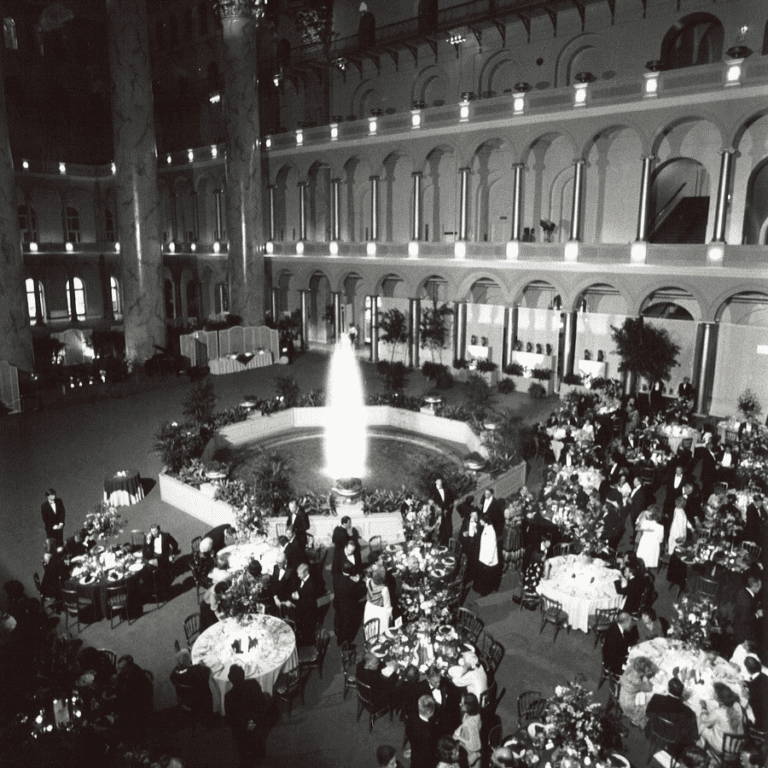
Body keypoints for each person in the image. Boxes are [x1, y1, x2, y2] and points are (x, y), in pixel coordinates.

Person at [225, 664, 273, 767]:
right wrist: (253, 723)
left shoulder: (228, 697)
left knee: (245, 753)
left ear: (230, 679)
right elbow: (262, 704)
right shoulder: (253, 684)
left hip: (241, 731)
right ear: (243, 676)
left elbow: (230, 720)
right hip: (256, 724)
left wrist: (247, 725)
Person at [645, 678, 700, 756]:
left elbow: (648, 713)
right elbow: (693, 735)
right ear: (681, 693)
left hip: (655, 730)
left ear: (668, 688)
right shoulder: (688, 712)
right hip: (673, 739)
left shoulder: (656, 698)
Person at [698, 682, 745, 755]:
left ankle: (701, 752)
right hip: (736, 746)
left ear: (717, 696)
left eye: (714, 692)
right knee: (716, 726)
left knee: (701, 726)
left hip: (723, 747)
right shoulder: (737, 707)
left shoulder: (718, 712)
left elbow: (704, 722)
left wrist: (703, 707)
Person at [115, 654, 153, 743]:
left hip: (141, 702)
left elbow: (130, 695)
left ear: (128, 666)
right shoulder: (129, 671)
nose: (120, 670)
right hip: (136, 698)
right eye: (119, 668)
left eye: (122, 668)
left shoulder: (134, 675)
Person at [618, 655, 657, 728]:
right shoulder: (636, 681)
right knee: (653, 700)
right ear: (641, 672)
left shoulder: (631, 667)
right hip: (630, 704)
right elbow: (649, 689)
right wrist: (646, 679)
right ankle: (639, 721)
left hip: (623, 695)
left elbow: (634, 661)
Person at [334, 558, 365, 646]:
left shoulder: (337, 577)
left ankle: (338, 634)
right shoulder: (351, 584)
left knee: (339, 620)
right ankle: (344, 642)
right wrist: (358, 581)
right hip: (348, 607)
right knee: (346, 625)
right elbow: (358, 595)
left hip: (338, 603)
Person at [143, 523, 179, 596]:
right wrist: (148, 542)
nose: (153, 533)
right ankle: (151, 583)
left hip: (163, 557)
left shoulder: (166, 536)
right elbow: (146, 549)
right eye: (152, 532)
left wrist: (172, 554)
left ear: (159, 530)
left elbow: (175, 543)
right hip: (153, 555)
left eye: (155, 531)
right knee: (145, 566)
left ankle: (155, 586)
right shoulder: (150, 537)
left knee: (148, 566)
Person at [473, 515, 502, 596]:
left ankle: (486, 591)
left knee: (487, 576)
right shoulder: (486, 527)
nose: (480, 521)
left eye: (481, 520)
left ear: (485, 520)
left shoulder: (491, 531)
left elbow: (492, 546)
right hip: (484, 556)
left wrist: (490, 559)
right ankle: (482, 589)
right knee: (483, 574)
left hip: (488, 558)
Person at [407, 695, 438, 768]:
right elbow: (431, 749)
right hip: (424, 760)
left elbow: (409, 734)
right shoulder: (429, 731)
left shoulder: (411, 717)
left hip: (415, 752)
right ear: (431, 712)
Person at [452, 692, 482, 768]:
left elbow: (474, 745)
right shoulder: (474, 714)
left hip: (469, 752)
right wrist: (460, 728)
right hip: (467, 739)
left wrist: (458, 738)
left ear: (467, 707)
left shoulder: (471, 723)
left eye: (462, 703)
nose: (460, 704)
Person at [291, 563, 317, 645]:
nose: (298, 576)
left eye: (300, 574)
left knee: (307, 629)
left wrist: (298, 597)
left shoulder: (311, 584)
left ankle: (307, 643)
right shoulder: (302, 579)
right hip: (302, 609)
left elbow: (309, 602)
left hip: (308, 612)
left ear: (306, 573)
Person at [733, 576, 763, 647]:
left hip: (742, 631)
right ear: (754, 586)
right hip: (743, 633)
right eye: (759, 586)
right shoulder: (746, 598)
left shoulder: (745, 592)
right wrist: (757, 615)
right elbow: (745, 618)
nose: (760, 588)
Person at [603, 612, 635, 676]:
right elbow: (612, 656)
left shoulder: (619, 626)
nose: (630, 625)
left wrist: (629, 648)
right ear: (625, 623)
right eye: (630, 623)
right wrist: (625, 663)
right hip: (613, 664)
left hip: (619, 657)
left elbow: (624, 642)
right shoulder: (613, 634)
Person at [364, 564, 392, 636]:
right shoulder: (384, 589)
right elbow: (387, 604)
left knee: (371, 627)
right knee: (380, 629)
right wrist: (390, 615)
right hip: (379, 610)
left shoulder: (369, 581)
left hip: (369, 607)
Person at [635, 505, 664, 570]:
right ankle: (647, 570)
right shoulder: (661, 527)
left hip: (644, 543)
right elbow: (660, 540)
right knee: (649, 561)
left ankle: (642, 570)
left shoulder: (645, 523)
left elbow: (637, 528)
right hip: (653, 546)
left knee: (642, 559)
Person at [745, 655, 768, 732]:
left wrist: (747, 696)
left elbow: (753, 703)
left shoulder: (755, 685)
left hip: (761, 721)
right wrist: (747, 683)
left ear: (747, 669)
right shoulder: (764, 676)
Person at [429, 478, 455, 546]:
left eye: (440, 481)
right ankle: (440, 545)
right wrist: (438, 512)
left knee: (448, 530)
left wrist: (448, 510)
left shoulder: (446, 489)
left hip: (447, 515)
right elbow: (432, 504)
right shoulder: (433, 492)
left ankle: (448, 544)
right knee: (439, 531)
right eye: (438, 481)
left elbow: (452, 501)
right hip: (438, 516)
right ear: (435, 482)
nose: (440, 482)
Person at [502, 501, 524, 573]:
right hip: (510, 533)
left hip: (516, 534)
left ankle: (514, 568)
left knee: (515, 550)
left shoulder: (518, 508)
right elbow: (507, 522)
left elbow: (520, 521)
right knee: (509, 549)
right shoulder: (507, 511)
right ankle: (508, 567)